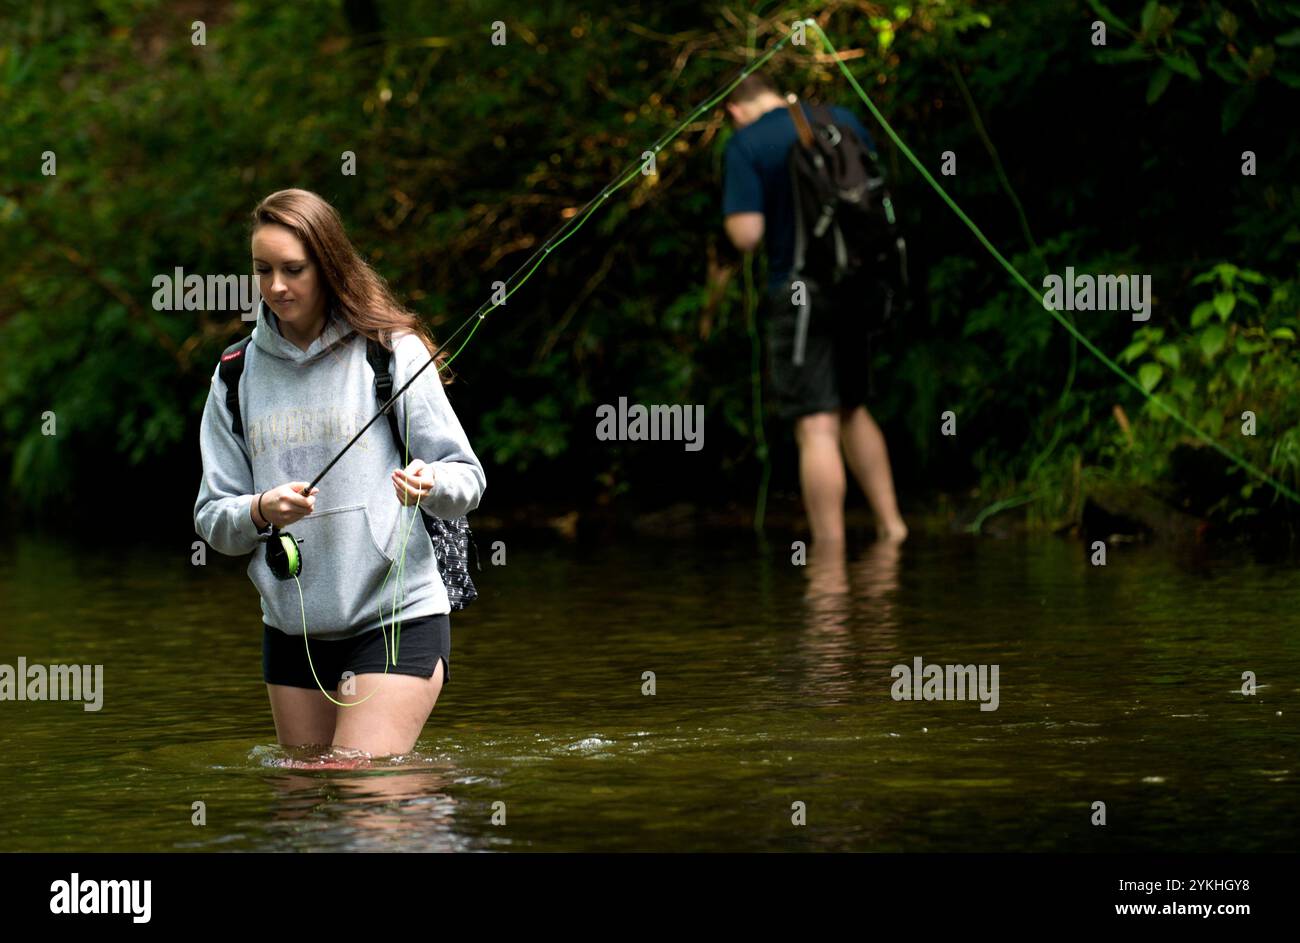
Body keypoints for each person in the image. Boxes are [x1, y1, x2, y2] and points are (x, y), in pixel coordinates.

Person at [193, 188, 486, 759]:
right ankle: (424, 826)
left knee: (358, 785)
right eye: (263, 270)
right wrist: (258, 511)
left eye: (293, 270)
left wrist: (430, 484)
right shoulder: (233, 376)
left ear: (328, 266)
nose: (276, 286)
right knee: (302, 814)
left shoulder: (390, 352)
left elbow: (467, 479)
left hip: (396, 615)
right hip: (292, 631)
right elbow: (212, 518)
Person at [722, 72, 907, 544]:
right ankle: (893, 529)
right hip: (858, 286)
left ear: (735, 110)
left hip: (800, 292)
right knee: (853, 407)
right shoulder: (840, 119)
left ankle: (829, 558)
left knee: (817, 424)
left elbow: (747, 235)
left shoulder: (747, 144)